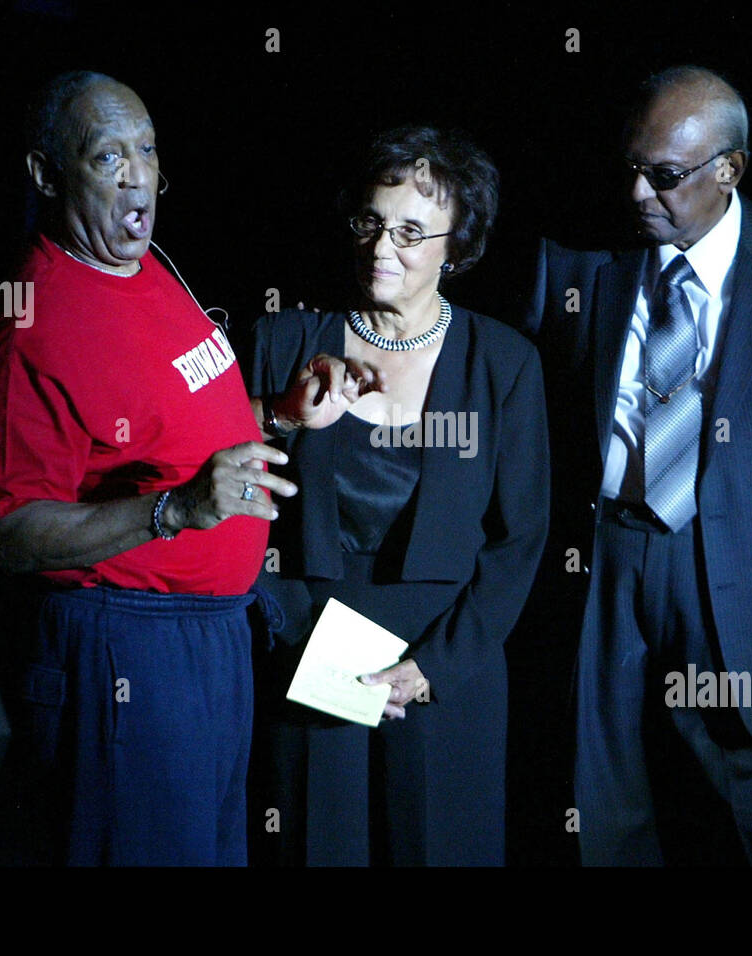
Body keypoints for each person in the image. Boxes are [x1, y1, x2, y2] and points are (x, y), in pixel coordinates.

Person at [0, 71, 371, 865]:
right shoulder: (32, 323)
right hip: (128, 649)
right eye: (106, 156)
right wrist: (176, 512)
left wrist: (281, 413)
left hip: (214, 638)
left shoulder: (146, 263)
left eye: (148, 150)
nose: (136, 176)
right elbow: (10, 533)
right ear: (47, 176)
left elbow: (173, 433)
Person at [524, 66, 752, 865]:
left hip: (736, 577)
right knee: (601, 796)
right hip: (605, 561)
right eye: (632, 170)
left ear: (730, 168)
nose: (639, 195)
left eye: (665, 177)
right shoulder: (580, 262)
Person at [246, 126, 549, 866]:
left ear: (460, 243)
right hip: (308, 653)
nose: (383, 247)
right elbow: (234, 503)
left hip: (448, 667)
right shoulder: (282, 341)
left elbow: (521, 539)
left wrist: (435, 668)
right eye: (371, 223)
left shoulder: (503, 361)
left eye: (412, 231)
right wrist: (291, 636)